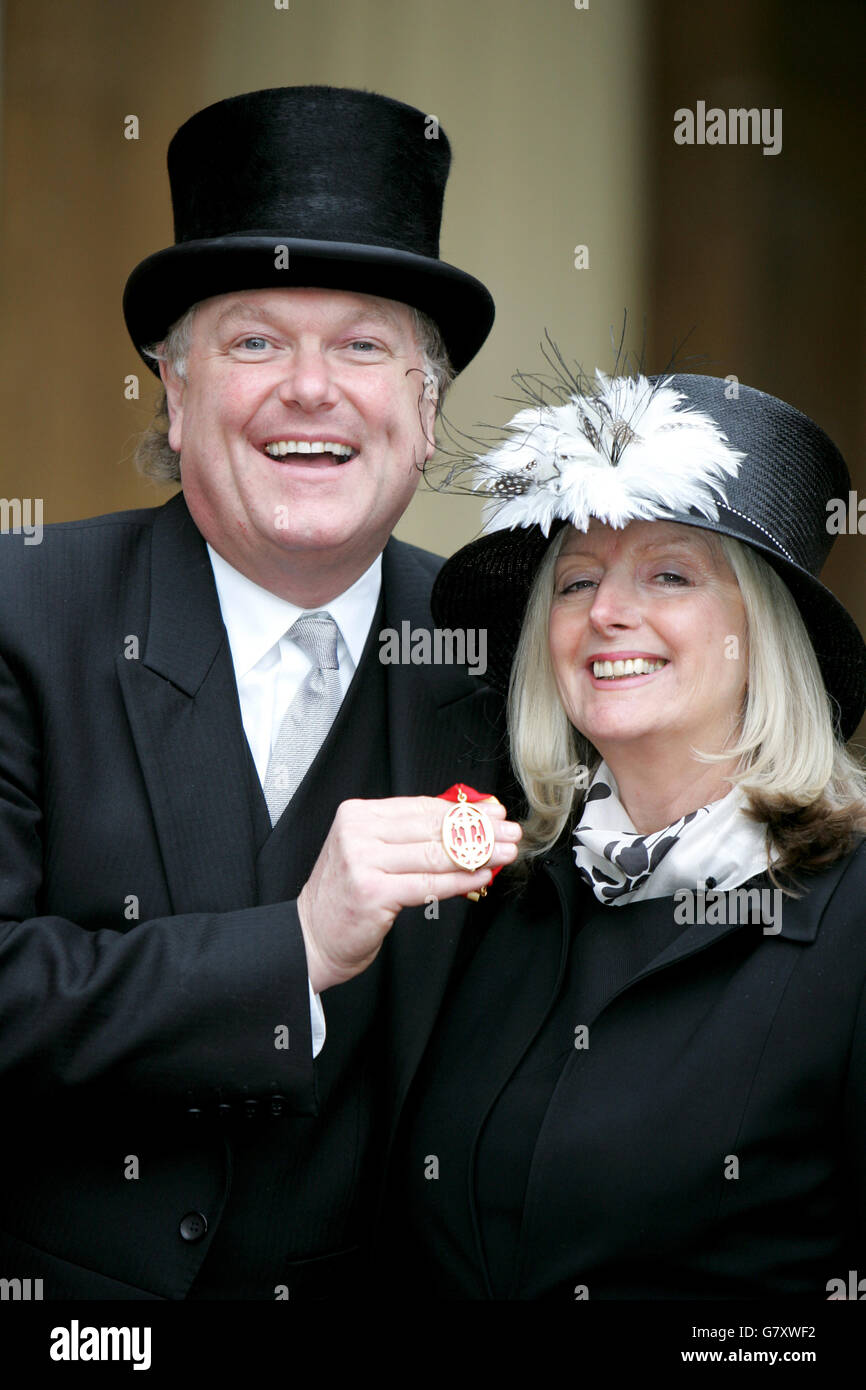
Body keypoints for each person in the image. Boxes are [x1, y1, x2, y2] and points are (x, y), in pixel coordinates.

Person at [0, 85, 521, 1300]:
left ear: (426, 412)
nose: (309, 388)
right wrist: (290, 948)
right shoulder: (22, 613)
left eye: (360, 344)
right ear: (176, 398)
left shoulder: (508, 661)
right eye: (253, 341)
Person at [376, 366, 866, 1299]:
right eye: (577, 581)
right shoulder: (507, 888)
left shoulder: (852, 915)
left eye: (671, 575)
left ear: (762, 633)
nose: (607, 613)